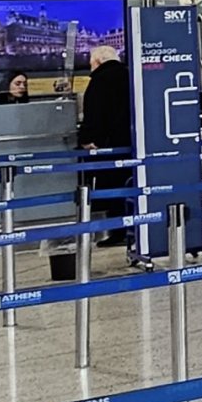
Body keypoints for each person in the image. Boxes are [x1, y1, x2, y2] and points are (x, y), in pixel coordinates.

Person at [76, 44, 134, 254]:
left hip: (109, 145)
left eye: (91, 63)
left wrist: (86, 139)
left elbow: (94, 115)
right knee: (132, 185)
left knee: (114, 188)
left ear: (98, 61)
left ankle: (117, 231)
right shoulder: (132, 75)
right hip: (133, 142)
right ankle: (136, 228)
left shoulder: (99, 81)